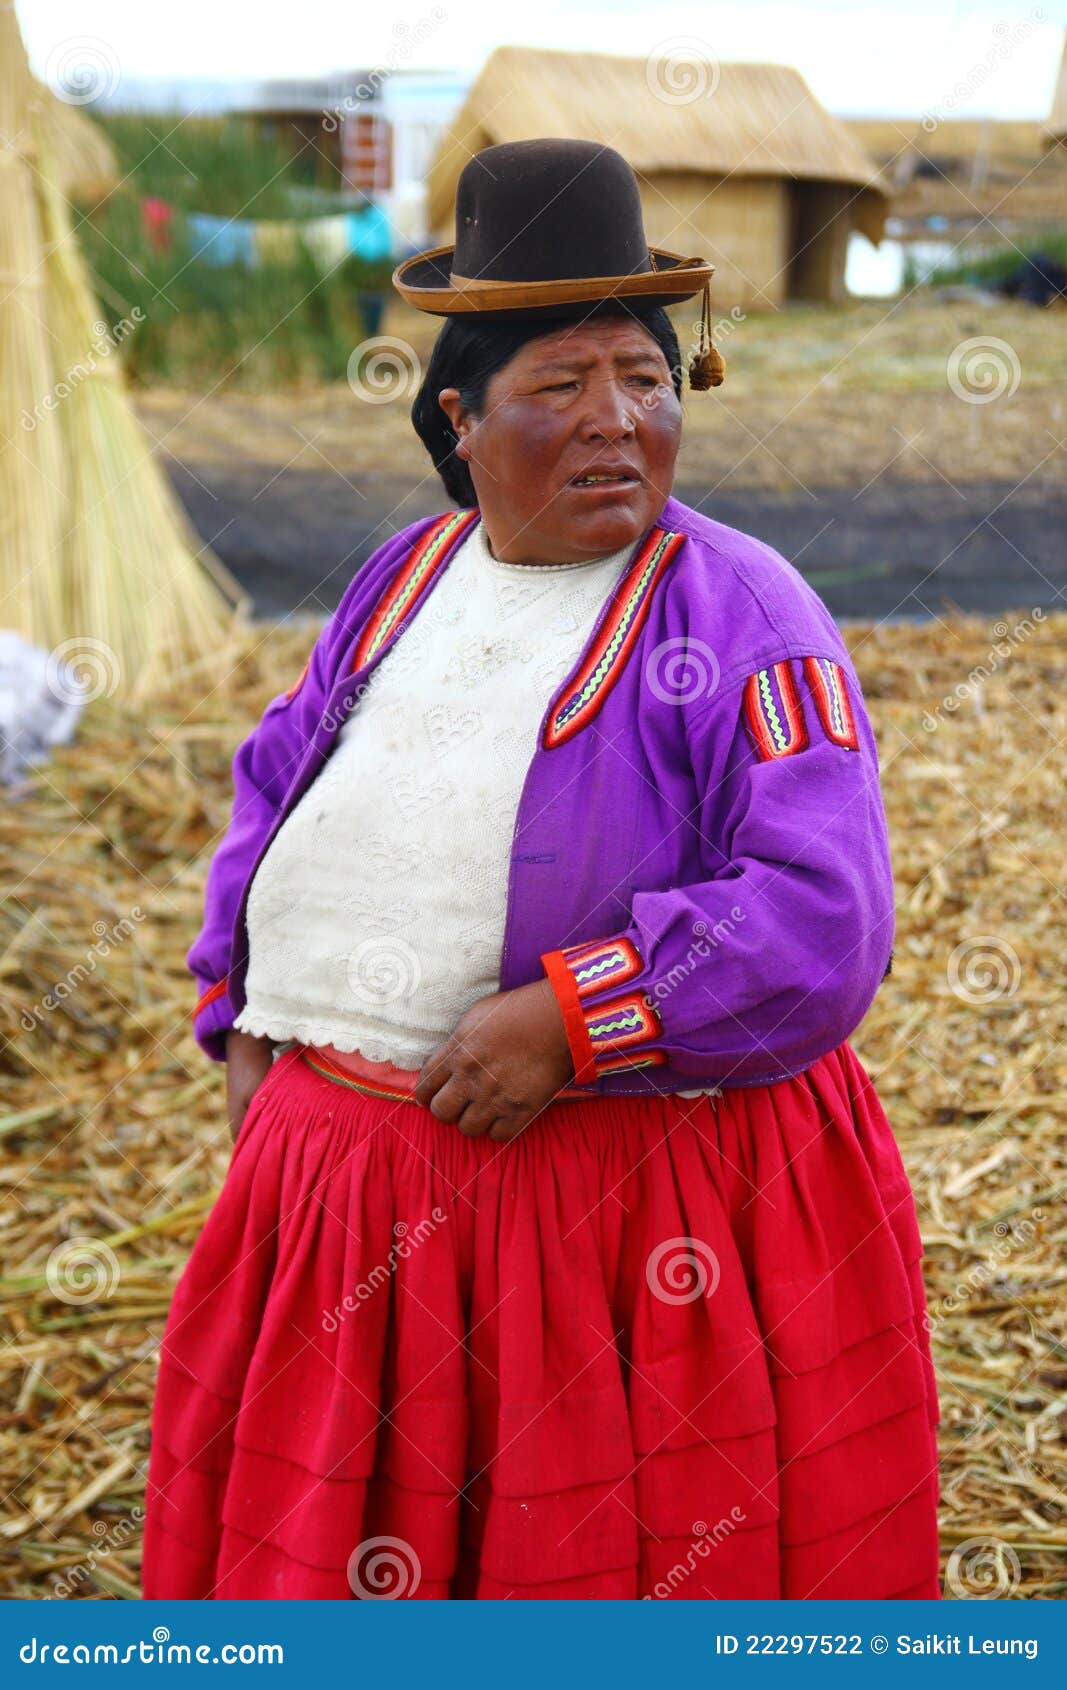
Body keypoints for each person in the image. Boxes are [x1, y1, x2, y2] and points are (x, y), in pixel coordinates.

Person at [140, 138, 941, 1601]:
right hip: (349, 1208)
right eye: (559, 388)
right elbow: (274, 789)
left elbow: (821, 915)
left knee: (573, 1569)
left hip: (614, 1217)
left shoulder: (745, 609)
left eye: (643, 378)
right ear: (461, 417)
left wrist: (576, 1018)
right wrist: (239, 1003)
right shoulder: (402, 584)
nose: (617, 424)